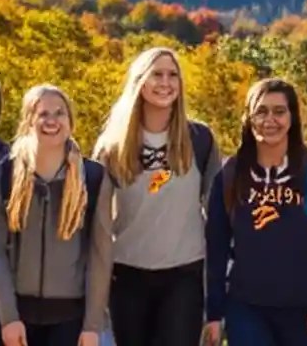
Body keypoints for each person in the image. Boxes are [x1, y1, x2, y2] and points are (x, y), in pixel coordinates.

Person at [91, 46, 222, 346]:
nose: (166, 82)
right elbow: (97, 223)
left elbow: (217, 216)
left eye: (173, 75)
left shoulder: (200, 140)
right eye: (157, 74)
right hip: (127, 276)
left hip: (184, 275)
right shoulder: (111, 146)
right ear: (139, 81)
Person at [203, 78, 307, 346]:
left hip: (303, 311)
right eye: (261, 111)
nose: (270, 120)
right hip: (246, 308)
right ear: (248, 118)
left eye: (279, 111)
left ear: (292, 118)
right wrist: (214, 313)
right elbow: (216, 248)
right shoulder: (230, 175)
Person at [0, 83, 115, 346]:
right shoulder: (5, 174)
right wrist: (8, 317)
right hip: (16, 315)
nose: (51, 121)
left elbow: (100, 254)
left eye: (59, 113)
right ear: (29, 121)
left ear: (70, 121)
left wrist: (92, 325)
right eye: (42, 114)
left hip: (70, 319)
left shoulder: (94, 178)